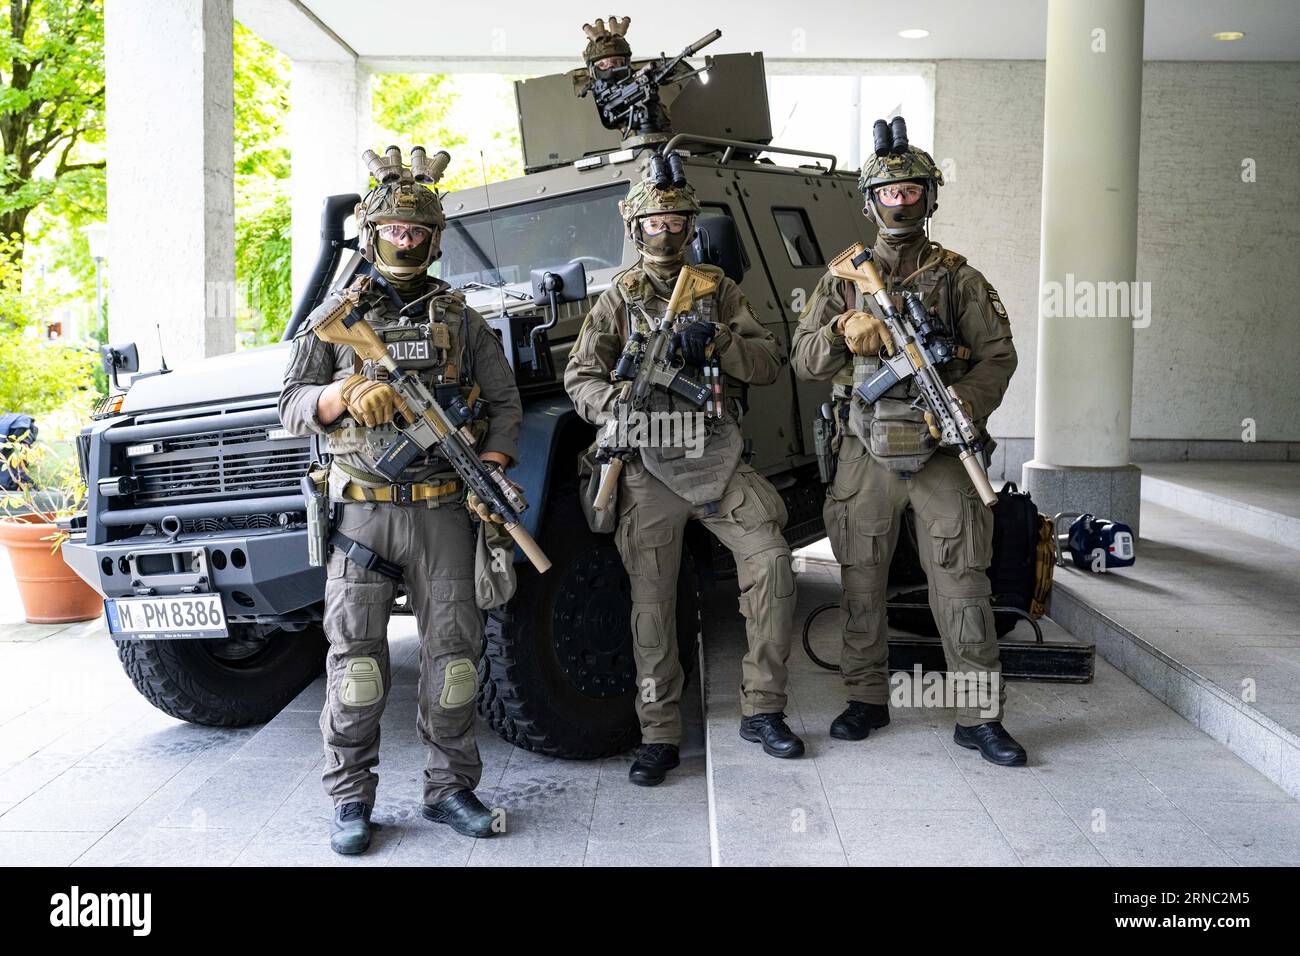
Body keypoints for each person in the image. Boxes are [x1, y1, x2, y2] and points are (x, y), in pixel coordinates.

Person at [279, 146, 525, 854]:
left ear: (434, 237)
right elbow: (290, 403)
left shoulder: (461, 316)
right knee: (355, 665)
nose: (405, 239)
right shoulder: (336, 317)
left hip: (446, 509)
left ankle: (451, 789)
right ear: (372, 231)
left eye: (418, 231)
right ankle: (351, 799)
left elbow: (505, 404)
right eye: (394, 228)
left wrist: (494, 463)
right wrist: (342, 393)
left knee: (453, 660)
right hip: (364, 512)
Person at [790, 117, 1027, 766]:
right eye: (889, 193)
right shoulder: (842, 279)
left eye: (912, 191)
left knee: (961, 581)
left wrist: (962, 406)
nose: (901, 202)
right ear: (871, 202)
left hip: (939, 450)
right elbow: (805, 360)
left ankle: (980, 716)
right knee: (861, 579)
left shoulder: (957, 279)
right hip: (864, 449)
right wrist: (843, 327)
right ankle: (866, 698)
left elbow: (996, 358)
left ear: (929, 197)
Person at [564, 164, 802, 787]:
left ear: (690, 226)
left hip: (717, 458)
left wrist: (718, 341)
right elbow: (581, 376)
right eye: (653, 221)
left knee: (772, 563)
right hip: (648, 464)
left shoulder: (717, 289)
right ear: (635, 226)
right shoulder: (616, 298)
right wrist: (612, 405)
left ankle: (764, 708)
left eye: (674, 220)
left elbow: (770, 364)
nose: (664, 230)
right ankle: (659, 732)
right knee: (651, 605)